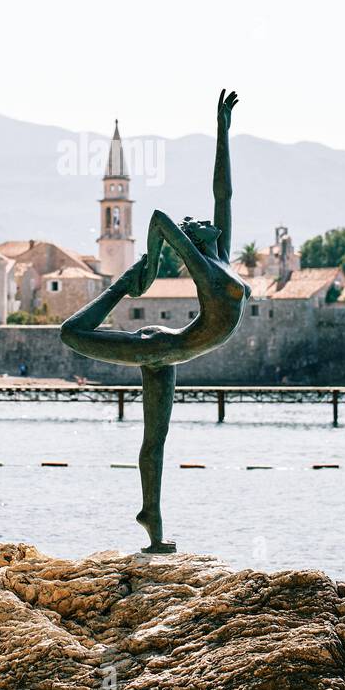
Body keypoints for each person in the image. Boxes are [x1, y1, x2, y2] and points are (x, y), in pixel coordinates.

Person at [62, 90, 249, 553]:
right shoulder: (204, 269)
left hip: (170, 350)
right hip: (159, 348)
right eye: (200, 223)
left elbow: (222, 190)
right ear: (193, 238)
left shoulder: (220, 256)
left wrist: (222, 131)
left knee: (155, 440)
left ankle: (153, 521)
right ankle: (123, 282)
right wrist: (146, 270)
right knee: (70, 333)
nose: (209, 220)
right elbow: (162, 219)